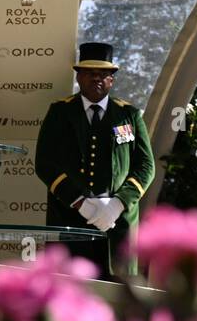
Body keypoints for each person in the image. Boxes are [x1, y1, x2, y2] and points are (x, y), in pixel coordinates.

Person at [33, 42, 154, 277]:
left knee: (119, 296)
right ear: (78, 77)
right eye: (89, 73)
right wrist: (80, 202)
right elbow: (45, 162)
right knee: (70, 294)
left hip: (118, 225)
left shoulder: (128, 114)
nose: (96, 78)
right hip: (71, 221)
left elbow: (146, 166)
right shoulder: (60, 112)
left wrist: (119, 203)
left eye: (103, 74)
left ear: (112, 79)